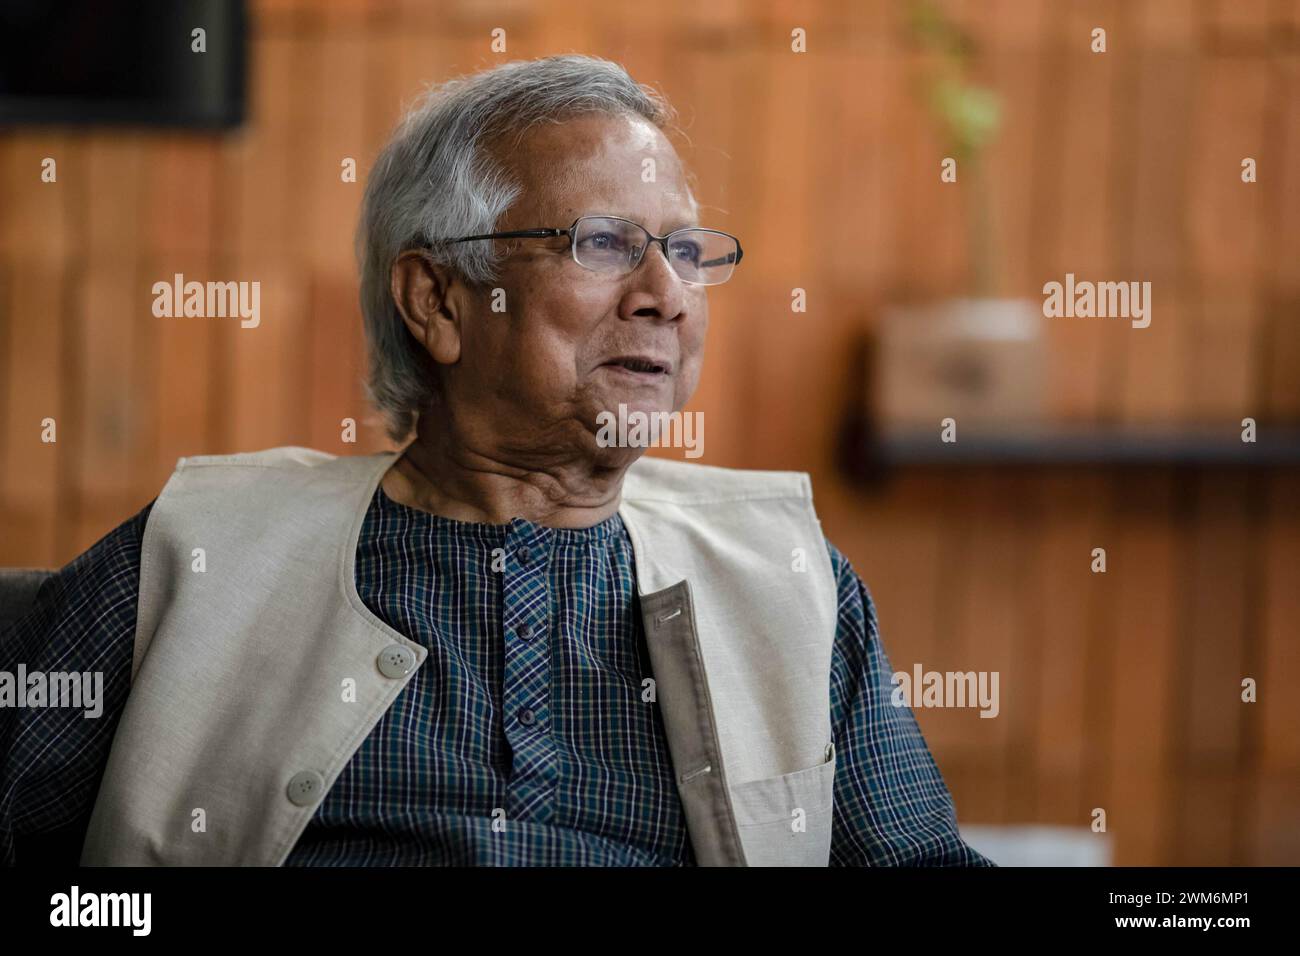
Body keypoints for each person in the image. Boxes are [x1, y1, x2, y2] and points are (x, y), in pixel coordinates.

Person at [0, 54, 991, 868]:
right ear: (436, 300)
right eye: (603, 243)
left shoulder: (784, 579)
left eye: (686, 251)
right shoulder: (201, 553)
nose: (667, 294)